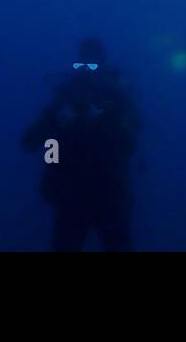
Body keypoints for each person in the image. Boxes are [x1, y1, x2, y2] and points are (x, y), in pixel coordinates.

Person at [21, 38, 140, 251]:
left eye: (93, 66)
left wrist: (102, 121)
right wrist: (57, 120)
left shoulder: (117, 96)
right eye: (81, 65)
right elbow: (29, 141)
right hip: (70, 195)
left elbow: (129, 144)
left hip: (110, 195)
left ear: (102, 66)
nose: (86, 71)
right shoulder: (65, 95)